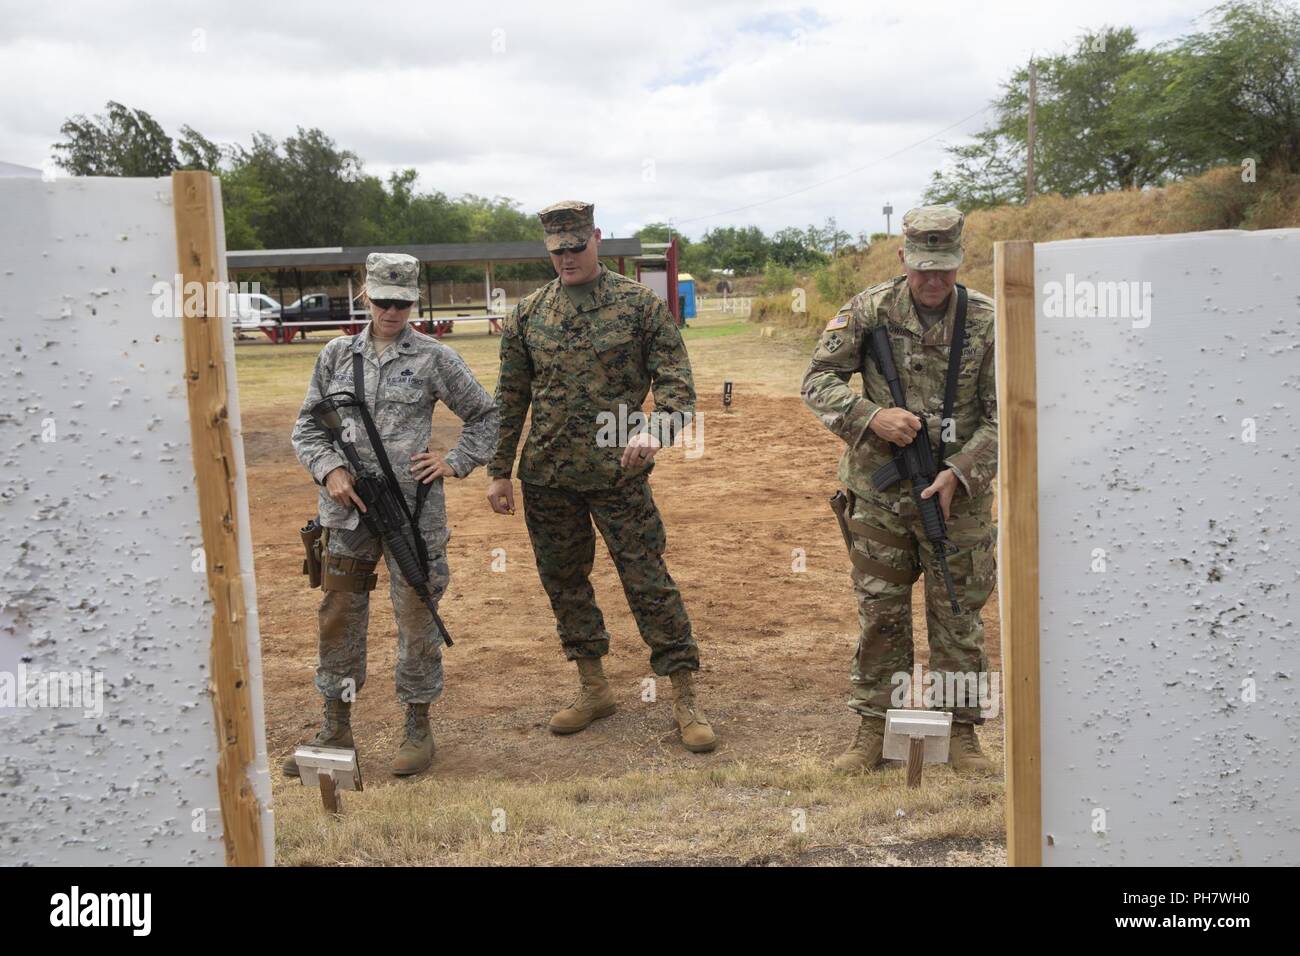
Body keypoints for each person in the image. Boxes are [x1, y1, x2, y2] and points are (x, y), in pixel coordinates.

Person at [485, 200, 716, 753]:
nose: (566, 257)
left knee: (647, 581)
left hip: (619, 474)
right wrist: (499, 471)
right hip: (548, 476)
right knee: (564, 582)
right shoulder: (529, 315)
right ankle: (593, 687)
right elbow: (511, 397)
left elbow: (679, 389)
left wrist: (652, 432)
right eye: (556, 249)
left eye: (576, 245)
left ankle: (684, 695)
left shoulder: (638, 307)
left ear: (596, 239)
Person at [802, 205, 998, 774]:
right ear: (902, 259)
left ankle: (961, 734)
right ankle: (873, 728)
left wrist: (960, 471)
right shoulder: (869, 310)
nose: (934, 281)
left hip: (957, 501)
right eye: (922, 269)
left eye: (945, 269)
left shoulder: (985, 320)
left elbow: (1003, 413)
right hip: (880, 496)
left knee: (958, 616)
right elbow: (817, 380)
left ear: (960, 260)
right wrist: (870, 416)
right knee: (881, 614)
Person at [286, 252, 498, 777]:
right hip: (347, 517)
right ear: (366, 295)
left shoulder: (433, 358)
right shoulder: (335, 355)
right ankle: (335, 727)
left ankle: (417, 725)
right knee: (339, 617)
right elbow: (307, 428)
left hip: (412, 516)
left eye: (402, 303)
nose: (392, 312)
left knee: (417, 615)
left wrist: (455, 460)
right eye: (383, 301)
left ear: (414, 301)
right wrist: (331, 470)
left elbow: (486, 417)